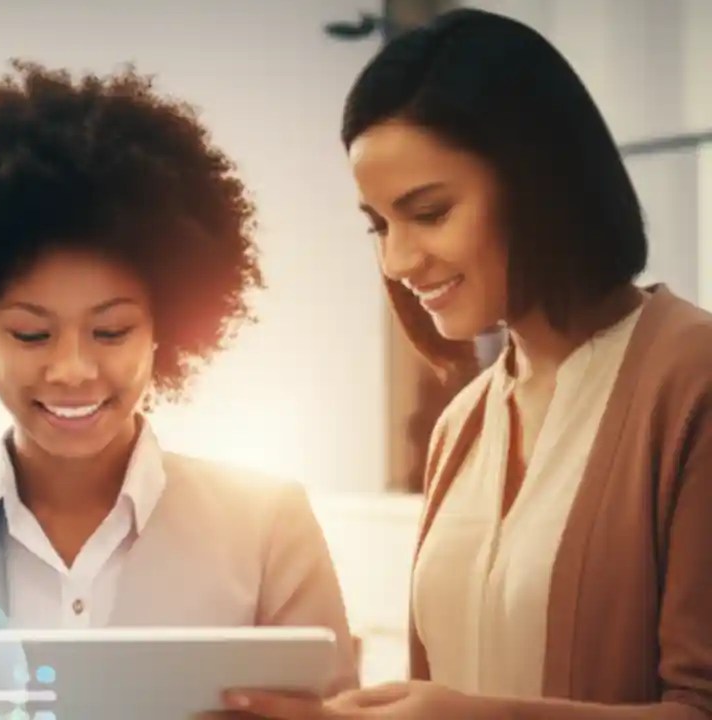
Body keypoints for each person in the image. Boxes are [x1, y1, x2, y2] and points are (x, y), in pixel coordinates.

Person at [0, 60, 358, 714]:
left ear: (164, 329)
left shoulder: (270, 529)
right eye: (32, 335)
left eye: (112, 330)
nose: (71, 370)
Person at [222, 8, 712, 720]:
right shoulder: (463, 426)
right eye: (379, 225)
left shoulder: (692, 381)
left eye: (429, 211)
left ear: (537, 181)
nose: (397, 260)